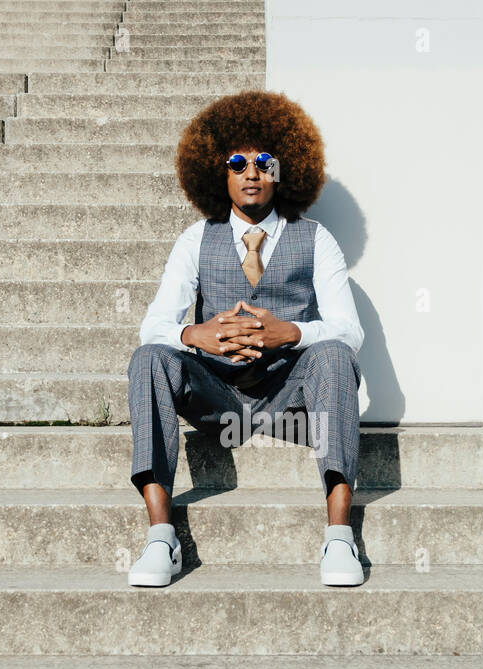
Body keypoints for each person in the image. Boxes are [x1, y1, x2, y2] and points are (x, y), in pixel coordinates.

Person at [126, 90, 365, 587]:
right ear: (221, 174)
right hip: (217, 394)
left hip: (289, 397)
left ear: (284, 171)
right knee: (151, 356)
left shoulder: (316, 238)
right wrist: (197, 335)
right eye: (238, 162)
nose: (251, 172)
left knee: (336, 354)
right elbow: (153, 326)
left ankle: (340, 535)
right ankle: (160, 536)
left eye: (264, 162)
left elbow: (349, 328)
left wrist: (291, 332)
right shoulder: (196, 239)